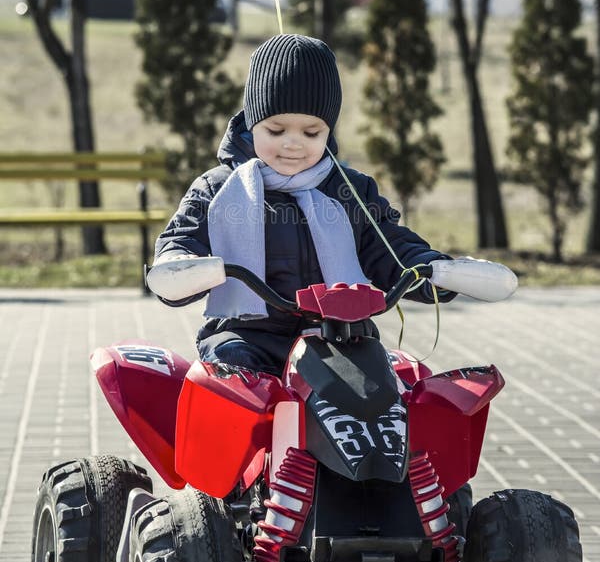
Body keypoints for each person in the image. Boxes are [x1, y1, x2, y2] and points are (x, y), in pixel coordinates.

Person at [152, 33, 455, 376]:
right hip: (248, 335)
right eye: (276, 130)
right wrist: (179, 262)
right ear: (253, 123)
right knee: (234, 380)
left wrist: (429, 269)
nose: (293, 144)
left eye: (311, 133)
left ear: (328, 130)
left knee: (385, 389)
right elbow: (183, 238)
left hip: (340, 335)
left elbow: (386, 244)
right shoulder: (219, 190)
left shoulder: (349, 190)